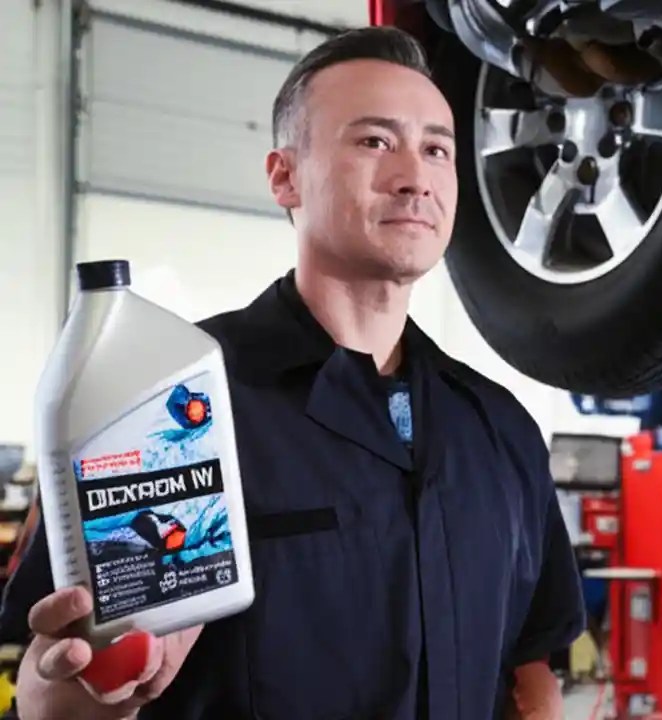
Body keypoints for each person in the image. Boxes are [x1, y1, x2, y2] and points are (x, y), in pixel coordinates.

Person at [0, 26, 585, 720]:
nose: (415, 175)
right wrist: (73, 699)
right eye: (374, 141)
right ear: (283, 176)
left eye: (436, 149)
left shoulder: (499, 426)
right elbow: (53, 680)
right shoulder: (163, 409)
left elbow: (530, 666)